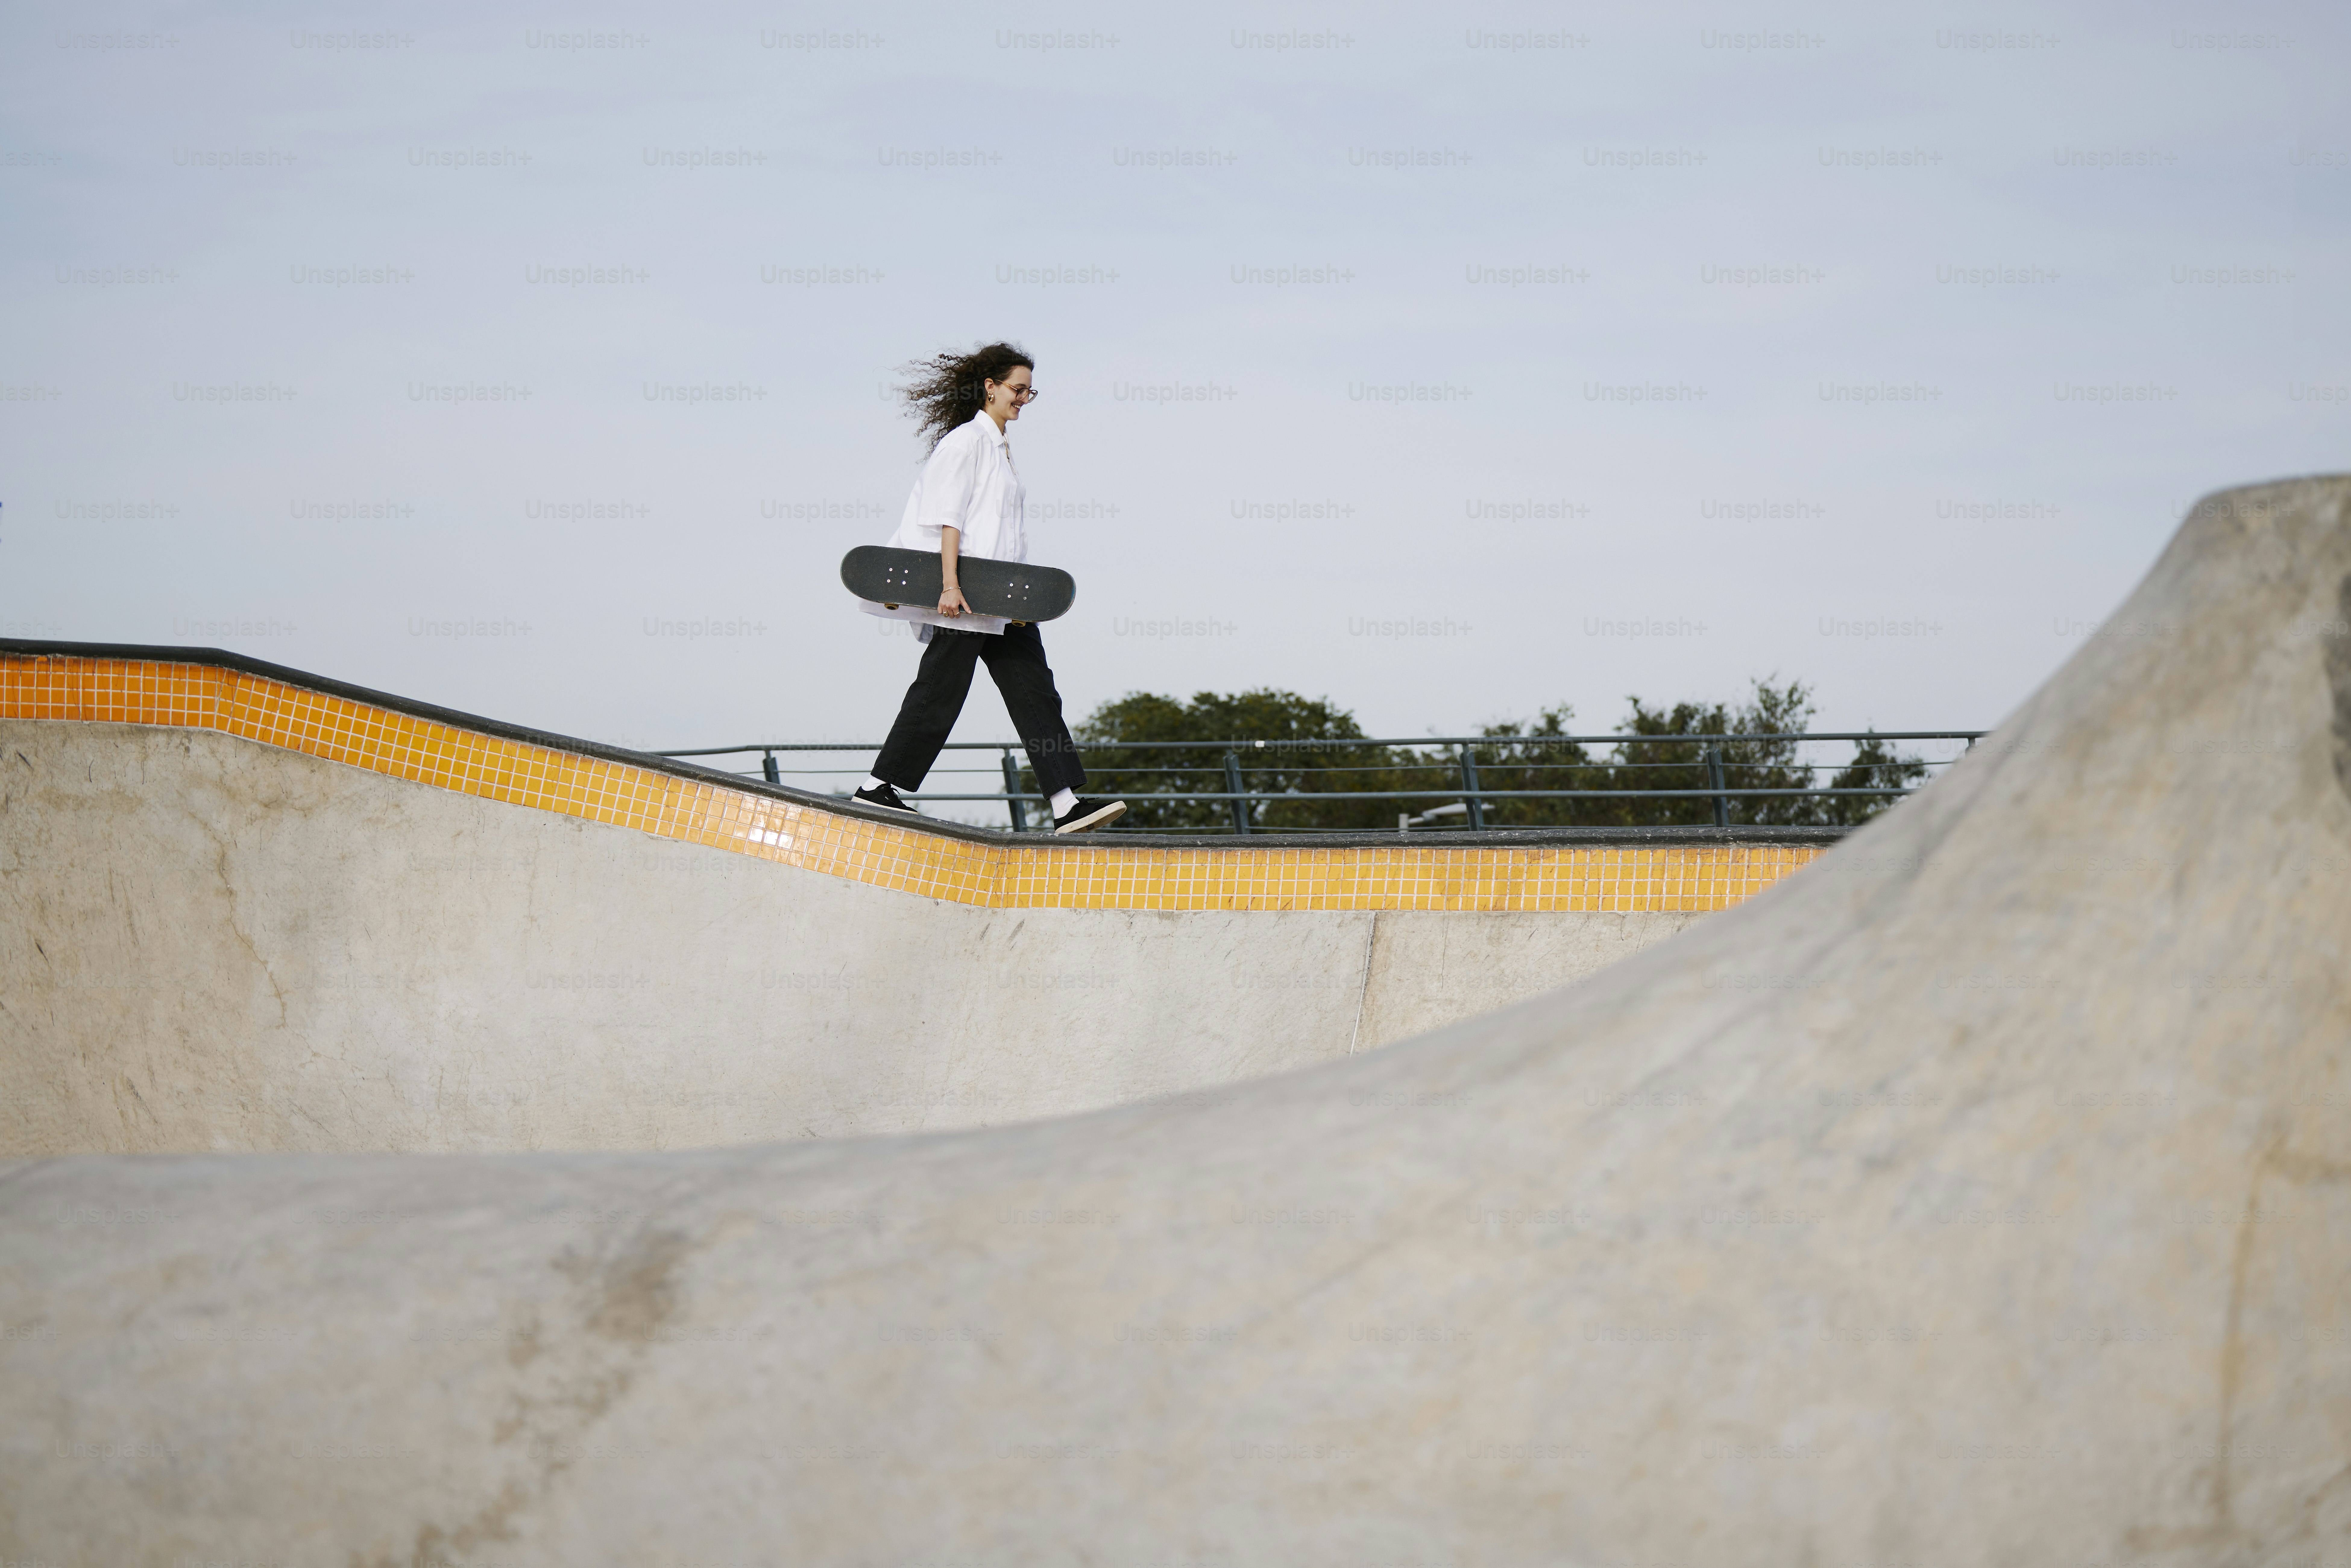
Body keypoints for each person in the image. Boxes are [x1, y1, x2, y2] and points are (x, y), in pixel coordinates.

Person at [852, 341, 1126, 834]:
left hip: (1003, 597)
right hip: (968, 593)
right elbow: (946, 520)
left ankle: (1065, 803)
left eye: (1030, 392)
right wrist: (950, 586)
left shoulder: (1001, 450)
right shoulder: (966, 442)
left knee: (1035, 691)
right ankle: (877, 787)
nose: (1024, 399)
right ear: (990, 387)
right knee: (941, 689)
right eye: (1018, 389)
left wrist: (1020, 593)